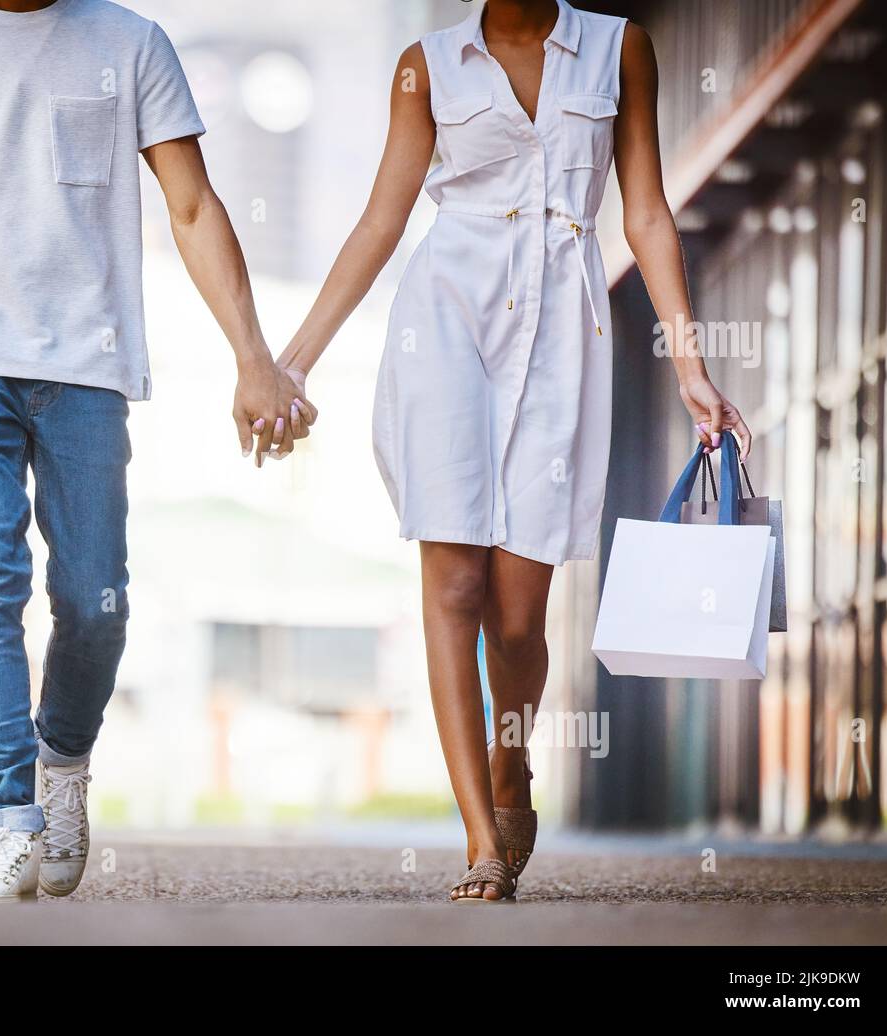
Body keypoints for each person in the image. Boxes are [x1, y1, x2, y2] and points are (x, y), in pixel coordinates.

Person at [0, 0, 314, 905]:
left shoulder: (131, 44)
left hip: (88, 364)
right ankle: (8, 821)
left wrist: (253, 357)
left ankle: (63, 759)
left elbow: (193, 204)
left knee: (96, 598)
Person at [276, 0, 752, 901]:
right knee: (453, 583)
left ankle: (511, 762)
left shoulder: (622, 49)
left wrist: (691, 365)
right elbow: (383, 221)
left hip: (563, 335)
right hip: (445, 326)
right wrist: (291, 363)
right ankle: (479, 841)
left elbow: (645, 213)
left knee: (520, 615)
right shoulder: (427, 63)